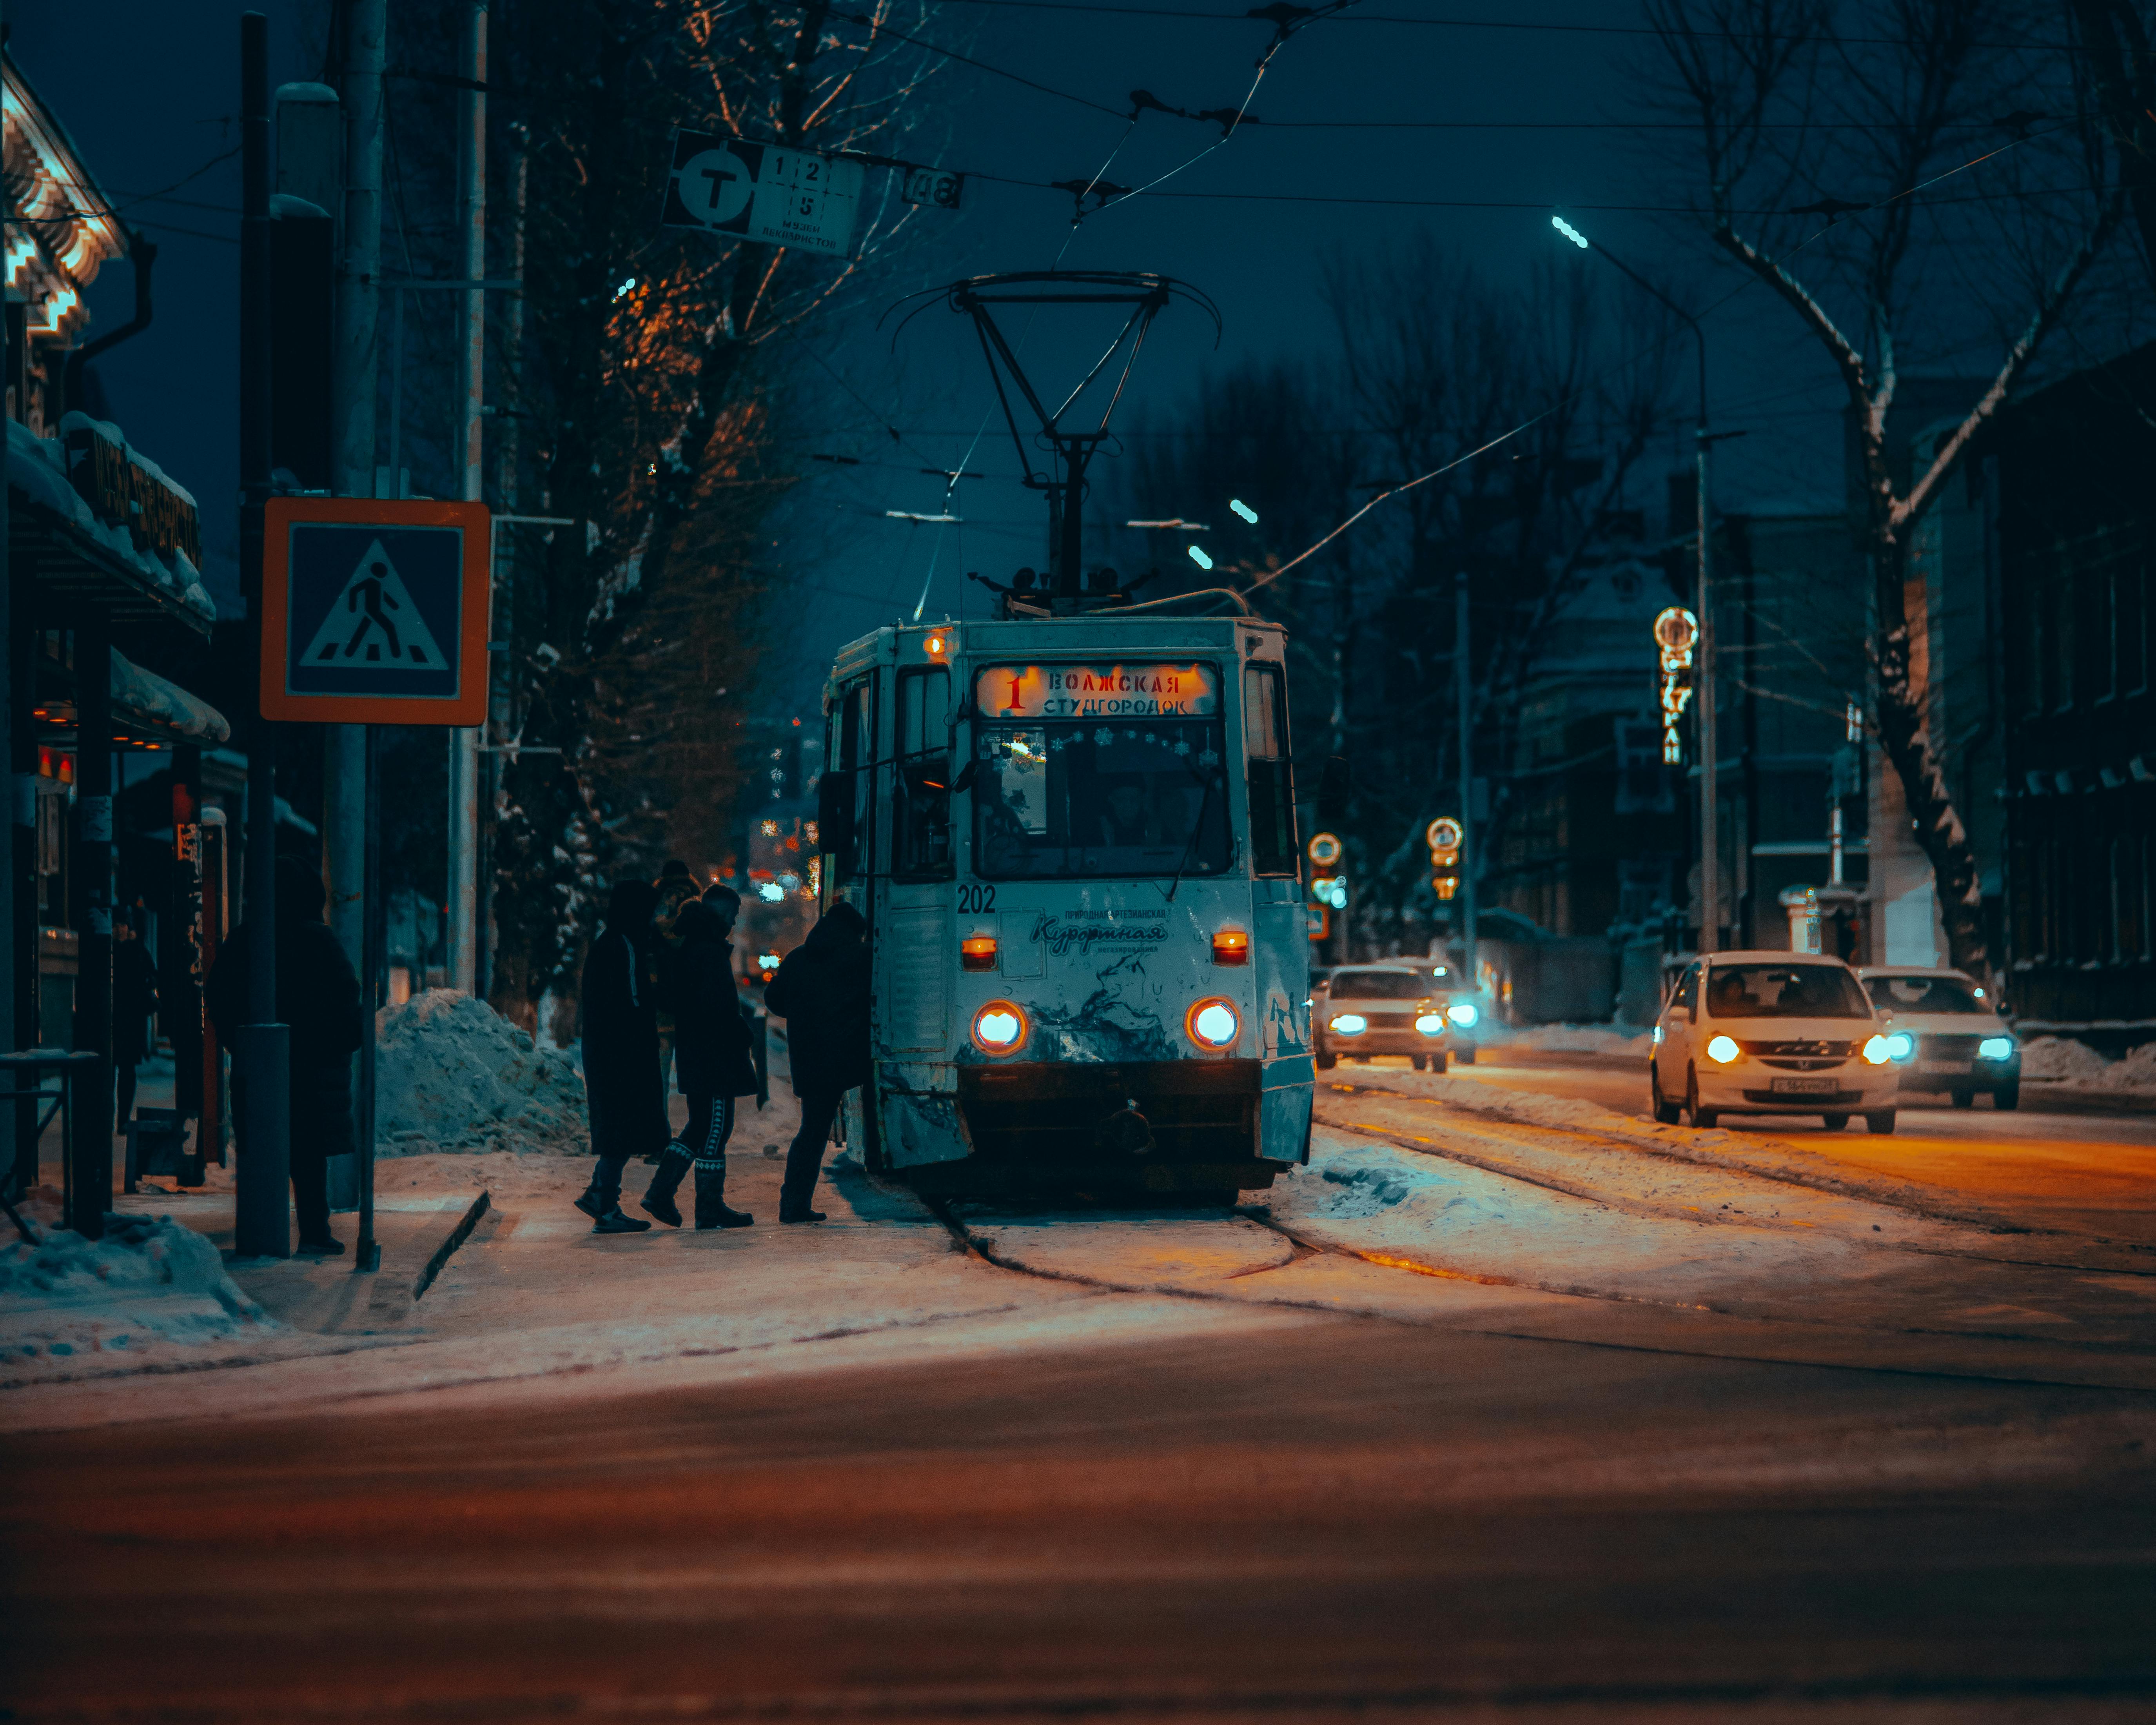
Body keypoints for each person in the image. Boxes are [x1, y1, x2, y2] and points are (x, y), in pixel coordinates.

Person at [205, 857, 362, 1254]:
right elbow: (348, 1004)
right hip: (312, 1070)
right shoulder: (320, 942)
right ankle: (314, 1230)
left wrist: (241, 1045)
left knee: (259, 1151)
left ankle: (260, 1232)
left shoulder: (245, 940)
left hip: (256, 1070)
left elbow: (218, 996)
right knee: (308, 1156)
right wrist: (335, 1042)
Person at [641, 892, 759, 1229]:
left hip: (699, 1053)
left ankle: (660, 1193)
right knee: (715, 1130)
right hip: (715, 1058)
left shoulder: (695, 946)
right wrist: (742, 1034)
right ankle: (709, 1206)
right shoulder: (708, 951)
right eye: (733, 913)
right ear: (720, 911)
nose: (735, 920)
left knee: (700, 1127)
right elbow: (717, 1009)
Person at [760, 899, 871, 1224]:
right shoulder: (859, 957)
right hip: (844, 1057)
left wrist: (804, 1012)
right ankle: (794, 1206)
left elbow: (774, 1000)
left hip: (809, 1058)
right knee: (813, 1132)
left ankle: (794, 1203)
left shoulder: (798, 957)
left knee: (811, 1129)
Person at [573, 879, 666, 1233]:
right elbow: (633, 1002)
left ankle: (602, 1195)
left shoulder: (609, 943)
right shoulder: (623, 945)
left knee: (619, 1127)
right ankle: (603, 1200)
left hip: (608, 1050)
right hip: (621, 1053)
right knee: (622, 1127)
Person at [112, 908, 160, 1135]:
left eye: (121, 924)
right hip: (128, 1019)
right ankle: (121, 1118)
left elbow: (153, 975)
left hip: (122, 1018)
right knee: (126, 1070)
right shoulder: (136, 951)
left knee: (124, 1069)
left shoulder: (120, 951)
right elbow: (153, 976)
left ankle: (121, 1117)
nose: (118, 929)